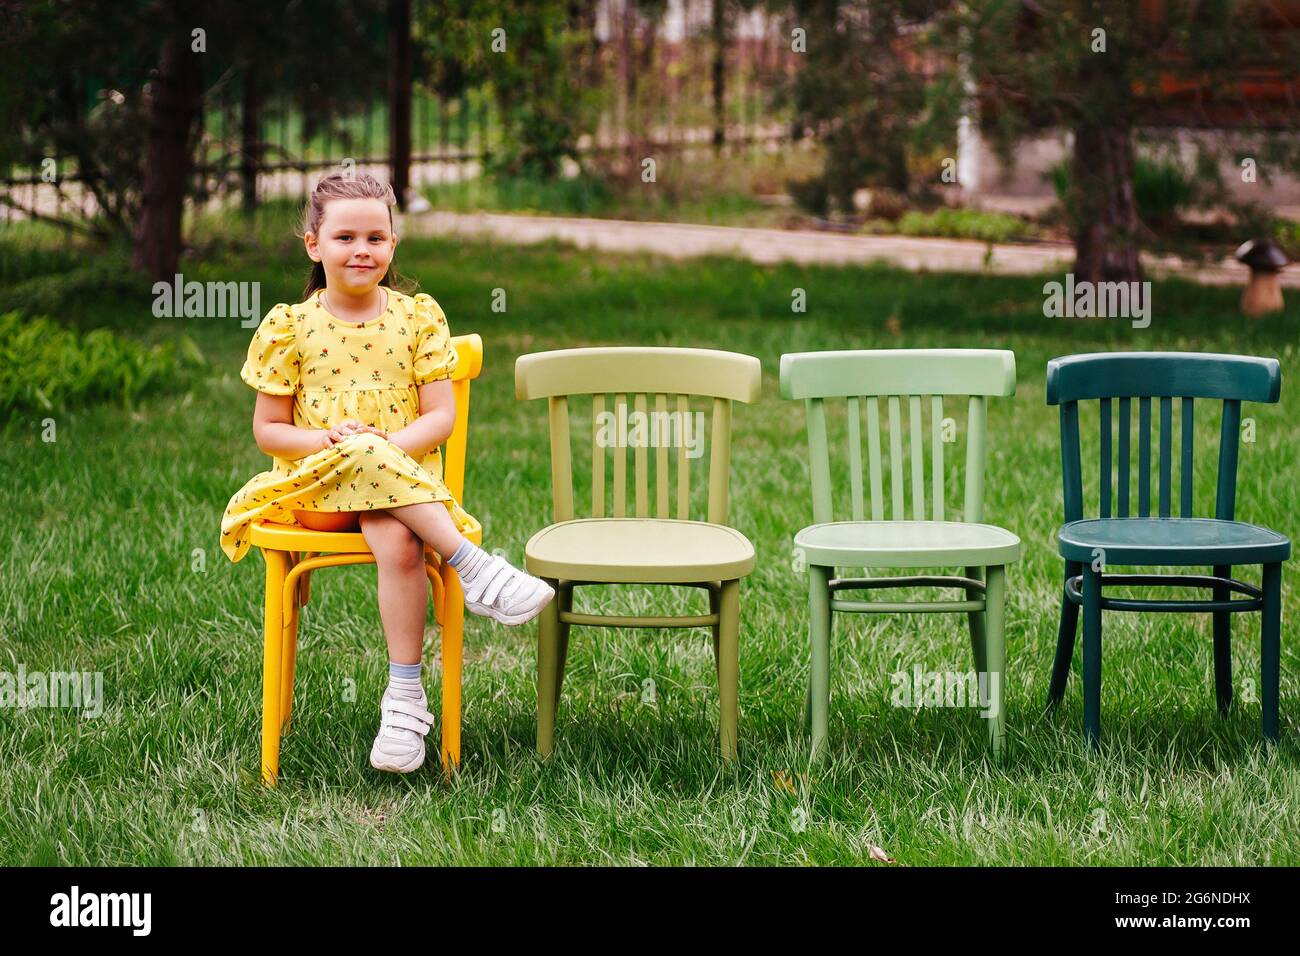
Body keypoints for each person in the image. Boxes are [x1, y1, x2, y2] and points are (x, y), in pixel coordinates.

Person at [220, 172, 554, 774]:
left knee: (398, 535)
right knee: (362, 457)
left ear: (394, 244)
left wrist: (383, 450)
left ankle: (404, 699)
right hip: (315, 491)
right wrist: (331, 440)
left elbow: (441, 418)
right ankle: (474, 570)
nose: (361, 250)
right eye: (345, 236)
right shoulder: (289, 326)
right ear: (313, 245)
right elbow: (269, 431)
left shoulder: (418, 317)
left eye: (376, 236)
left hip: (398, 498)